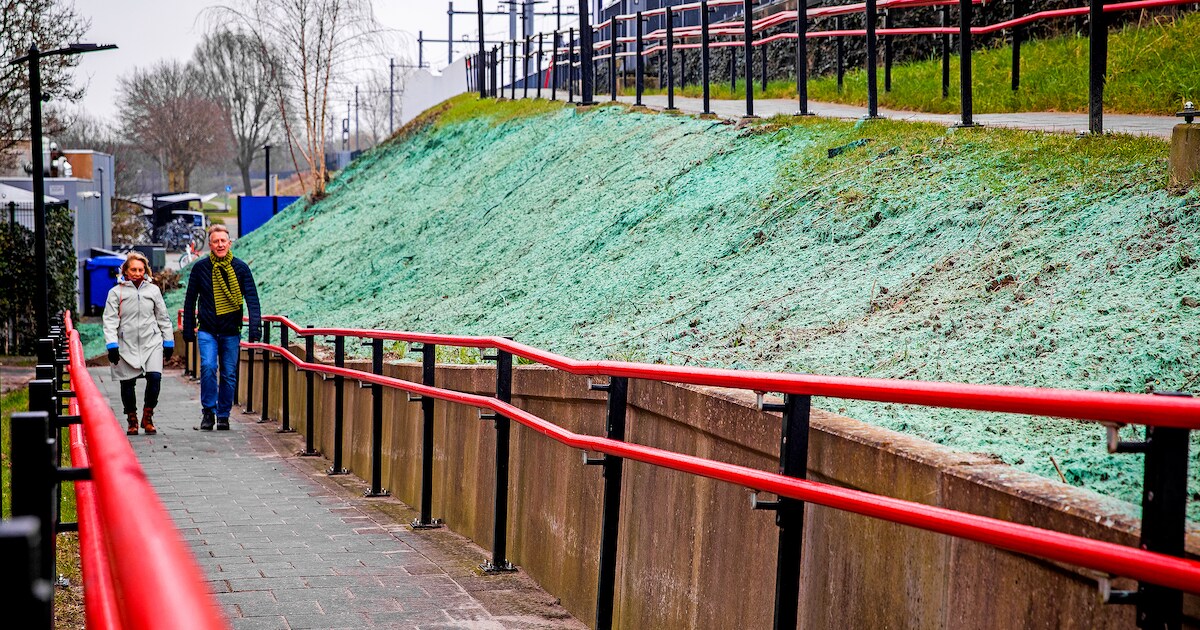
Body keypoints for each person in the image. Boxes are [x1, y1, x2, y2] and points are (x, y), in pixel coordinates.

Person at [183, 224, 261, 430]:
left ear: (229, 243)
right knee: (208, 367)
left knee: (228, 373)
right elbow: (190, 300)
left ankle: (224, 415)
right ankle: (208, 411)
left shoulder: (241, 268)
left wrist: (255, 328)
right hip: (207, 329)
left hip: (231, 331)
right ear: (210, 244)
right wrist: (188, 328)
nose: (220, 245)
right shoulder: (200, 268)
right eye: (216, 241)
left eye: (223, 241)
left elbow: (252, 299)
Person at [102, 251, 173, 436]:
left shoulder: (153, 290)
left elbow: (163, 317)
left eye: (140, 269)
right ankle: (131, 419)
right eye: (133, 269)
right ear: (125, 270)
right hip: (126, 343)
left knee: (155, 378)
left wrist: (168, 341)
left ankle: (148, 416)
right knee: (127, 383)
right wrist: (112, 345)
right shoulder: (116, 293)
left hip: (152, 342)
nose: (137, 273)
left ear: (146, 270)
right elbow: (109, 320)